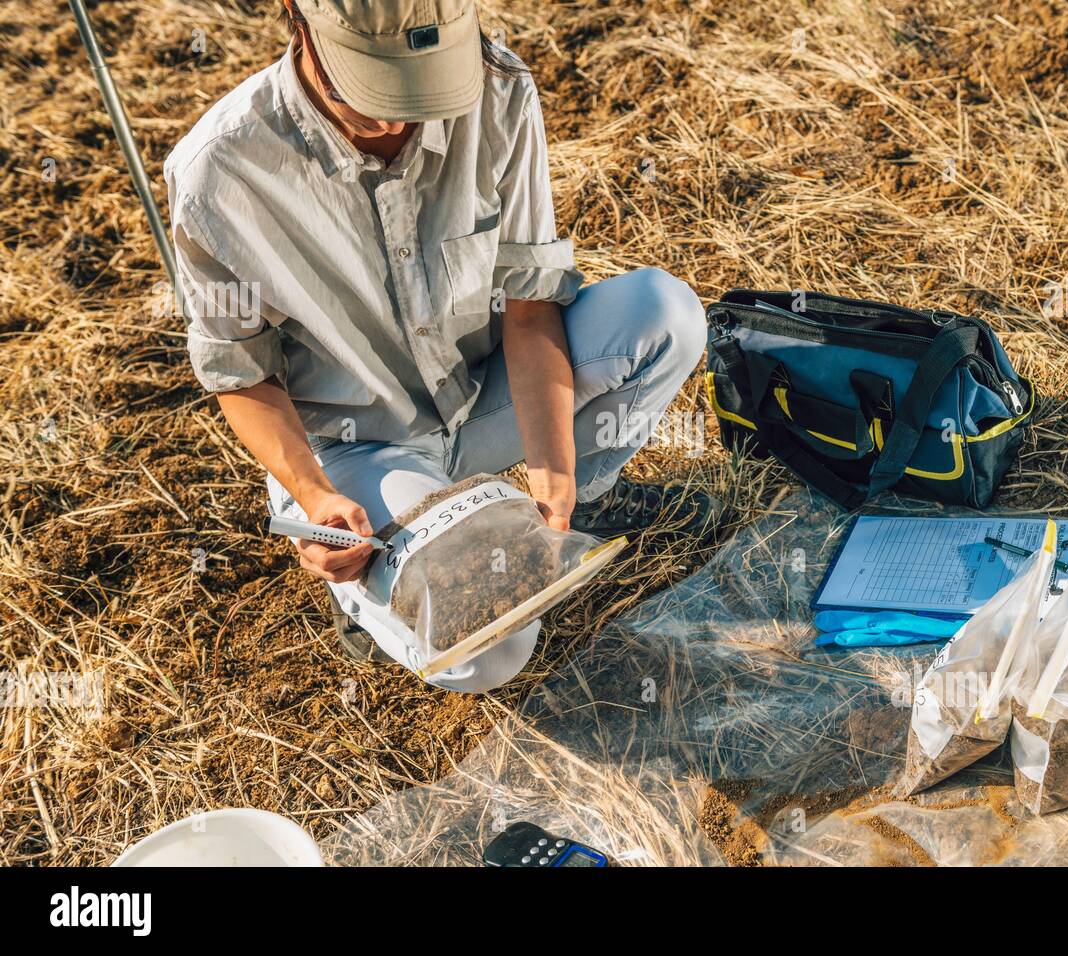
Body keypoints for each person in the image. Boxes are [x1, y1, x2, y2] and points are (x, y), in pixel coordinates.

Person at [164, 0, 719, 691]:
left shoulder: (500, 89)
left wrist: (555, 466)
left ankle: (584, 506)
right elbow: (240, 374)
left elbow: (528, 303)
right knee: (486, 653)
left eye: (423, 91)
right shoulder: (220, 172)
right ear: (297, 20)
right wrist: (313, 497)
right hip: (358, 448)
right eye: (371, 89)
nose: (397, 120)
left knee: (664, 313)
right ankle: (376, 583)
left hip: (484, 390)